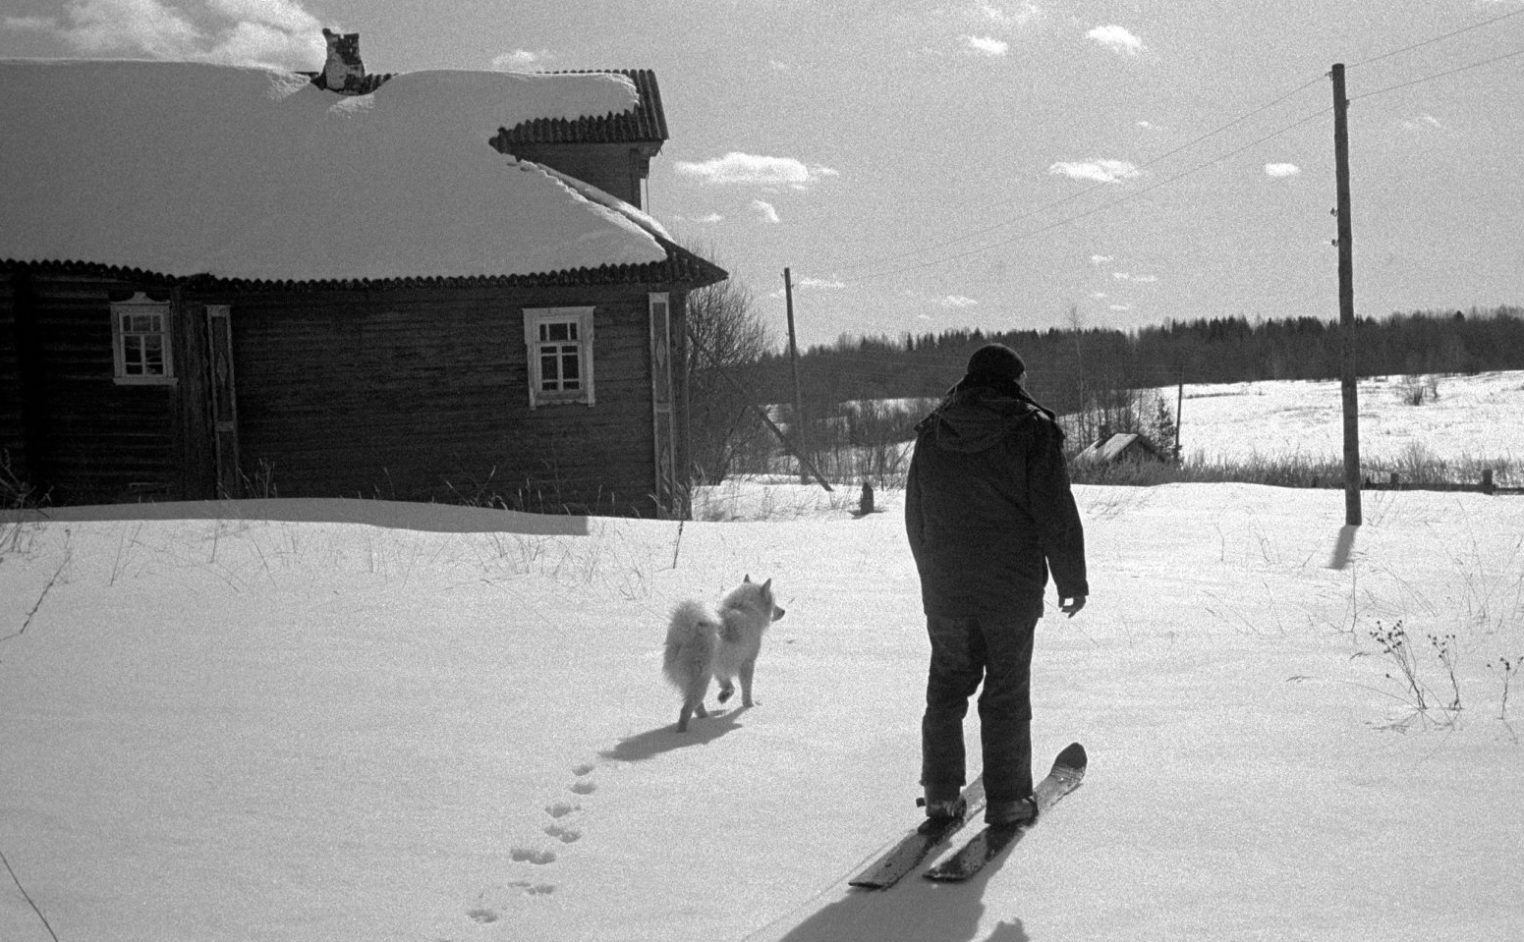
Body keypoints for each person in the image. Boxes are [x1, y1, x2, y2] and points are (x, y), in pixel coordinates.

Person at [904, 343, 1088, 827]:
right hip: (1010, 592)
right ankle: (1008, 800)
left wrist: (933, 577)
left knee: (945, 692)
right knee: (1006, 694)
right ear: (1014, 381)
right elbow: (1056, 512)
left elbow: (915, 517)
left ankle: (941, 797)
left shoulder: (935, 432)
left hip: (946, 593)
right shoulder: (1032, 430)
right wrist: (1072, 579)